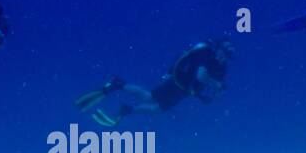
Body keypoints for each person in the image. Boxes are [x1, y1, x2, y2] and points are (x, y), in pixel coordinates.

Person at [75, 38, 234, 127]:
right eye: (223, 53)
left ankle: (128, 110)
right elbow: (201, 76)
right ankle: (118, 84)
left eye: (227, 56)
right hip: (178, 83)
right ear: (218, 48)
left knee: (157, 109)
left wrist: (215, 93)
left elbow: (213, 86)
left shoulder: (221, 68)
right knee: (149, 97)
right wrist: (217, 85)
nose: (223, 57)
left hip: (185, 91)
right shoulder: (207, 56)